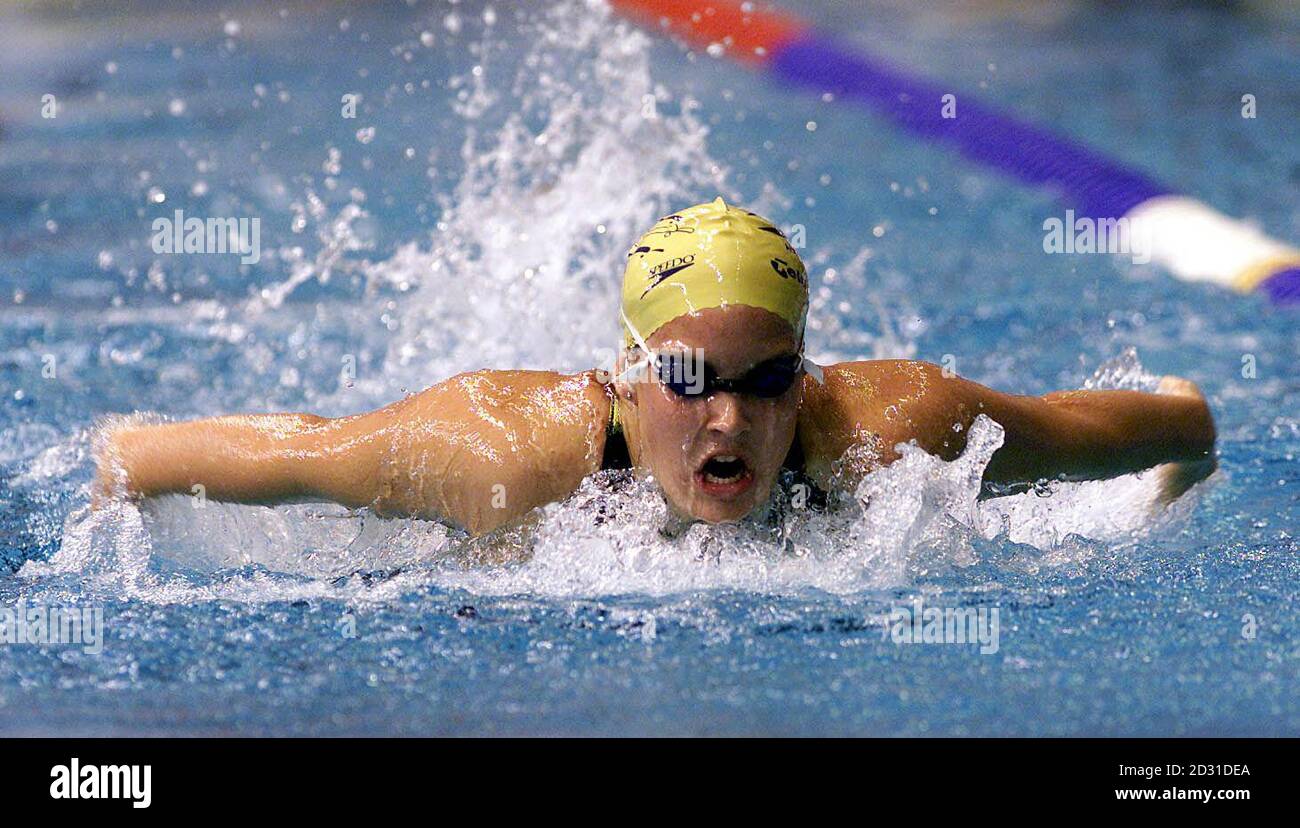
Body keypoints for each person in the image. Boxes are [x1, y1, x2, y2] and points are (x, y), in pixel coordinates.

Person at [94, 198, 1217, 535]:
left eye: (766, 380)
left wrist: (1182, 449)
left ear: (805, 371)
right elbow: (281, 452)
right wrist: (121, 485)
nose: (729, 419)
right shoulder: (499, 455)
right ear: (626, 375)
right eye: (686, 379)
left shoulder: (893, 433)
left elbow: (1159, 428)